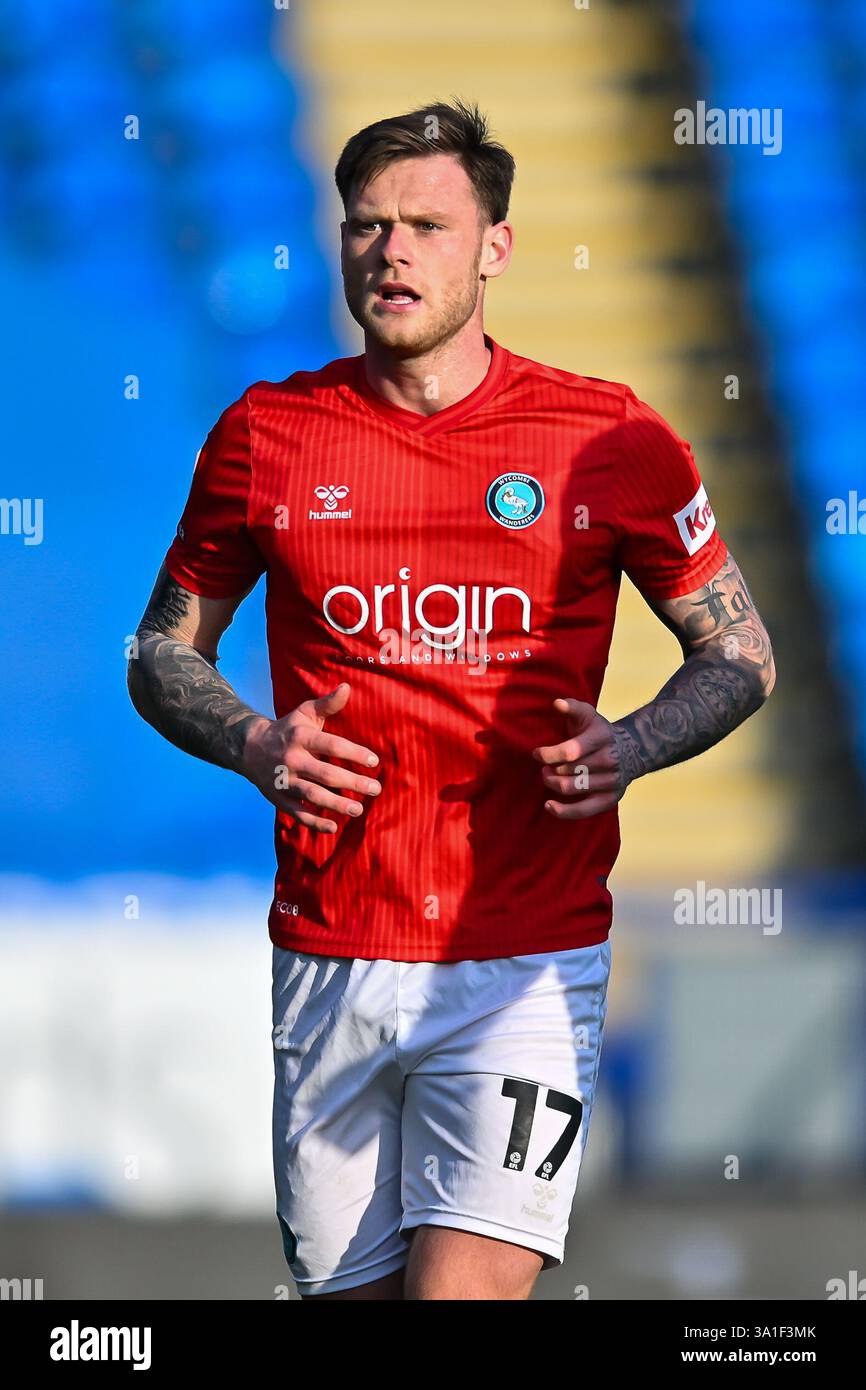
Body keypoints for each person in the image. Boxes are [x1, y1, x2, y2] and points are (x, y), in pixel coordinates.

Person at [127, 99, 776, 1301]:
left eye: (426, 224)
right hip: (330, 952)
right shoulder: (266, 435)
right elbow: (161, 652)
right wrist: (257, 742)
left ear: (495, 247)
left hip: (523, 956)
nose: (391, 252)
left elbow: (738, 655)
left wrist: (627, 743)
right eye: (366, 226)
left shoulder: (608, 439)